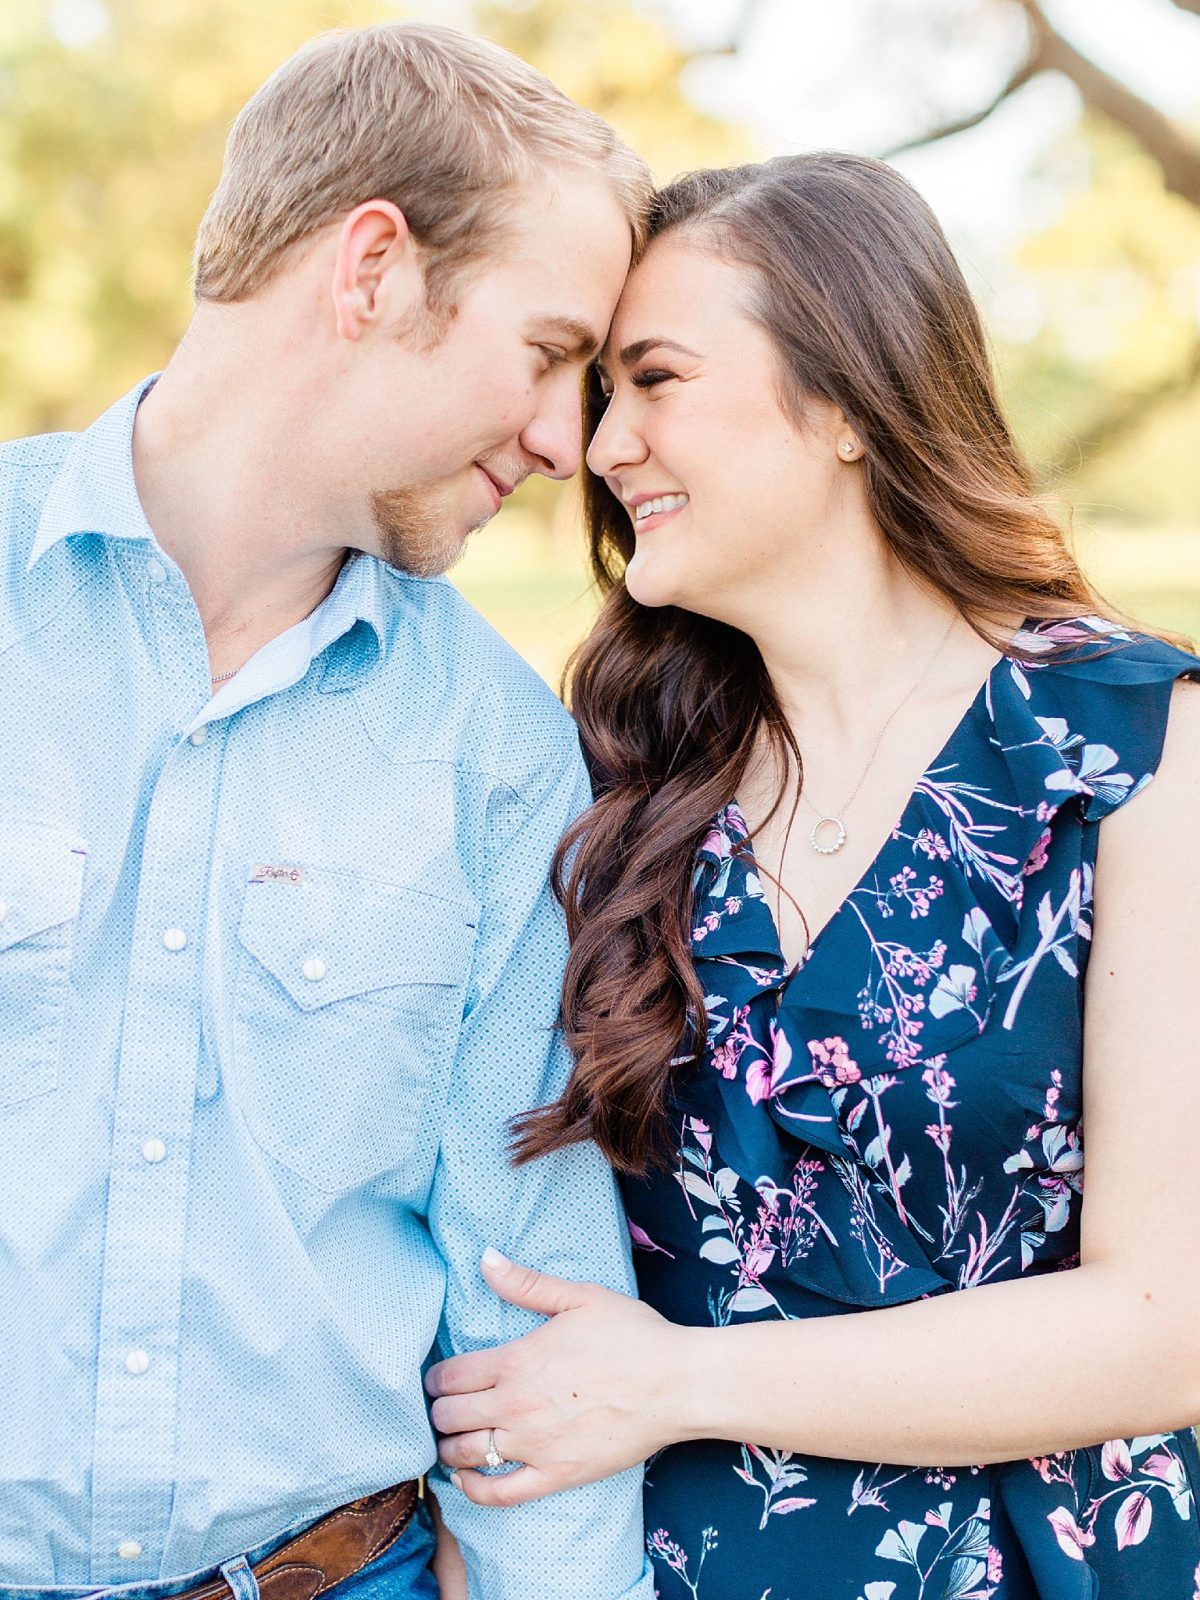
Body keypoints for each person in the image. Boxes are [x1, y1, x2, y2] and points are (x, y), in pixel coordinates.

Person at [426, 153, 1200, 1599]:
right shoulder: (616, 786)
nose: (601, 446)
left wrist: (680, 1383)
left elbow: (1168, 1323)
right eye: (604, 392)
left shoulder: (1133, 754)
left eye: (655, 380)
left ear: (846, 396)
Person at [0, 22, 657, 1600]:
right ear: (371, 270)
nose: (572, 445)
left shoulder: (499, 752)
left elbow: (529, 1295)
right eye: (548, 351)